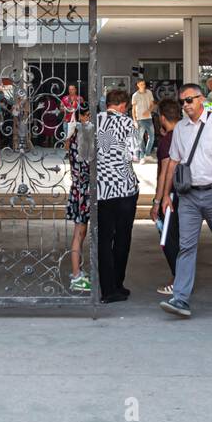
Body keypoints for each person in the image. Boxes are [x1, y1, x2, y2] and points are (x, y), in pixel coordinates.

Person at [157, 82, 212, 318]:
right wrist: (165, 195)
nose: (186, 106)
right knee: (186, 246)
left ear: (202, 99)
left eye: (189, 100)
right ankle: (181, 299)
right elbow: (173, 163)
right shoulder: (181, 129)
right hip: (189, 196)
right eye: (182, 102)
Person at [95, 89, 138, 303]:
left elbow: (85, 155)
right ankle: (118, 284)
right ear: (122, 105)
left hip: (102, 189)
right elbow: (135, 155)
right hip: (124, 188)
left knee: (104, 239)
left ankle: (107, 289)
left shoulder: (93, 123)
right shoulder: (128, 123)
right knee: (122, 238)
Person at [151, 99, 183, 295]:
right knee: (181, 237)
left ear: (162, 118)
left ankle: (178, 279)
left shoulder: (168, 140)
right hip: (190, 192)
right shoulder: (187, 133)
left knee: (168, 238)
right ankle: (181, 277)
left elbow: (164, 173)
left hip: (172, 195)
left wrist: (158, 201)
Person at [66, 104, 92, 293]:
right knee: (79, 234)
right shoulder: (85, 136)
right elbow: (89, 166)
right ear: (81, 117)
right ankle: (76, 275)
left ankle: (77, 272)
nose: (90, 119)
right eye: (88, 115)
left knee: (79, 234)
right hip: (84, 190)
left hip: (78, 189)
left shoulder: (74, 135)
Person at [131, 79, 156, 161]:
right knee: (140, 139)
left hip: (149, 118)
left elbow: (152, 105)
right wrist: (134, 121)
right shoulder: (135, 95)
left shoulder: (149, 92)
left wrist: (148, 111)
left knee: (152, 137)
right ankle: (142, 156)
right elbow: (133, 109)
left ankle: (147, 154)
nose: (143, 86)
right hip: (140, 119)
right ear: (138, 85)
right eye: (141, 84)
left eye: (144, 84)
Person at [59, 83, 83, 149]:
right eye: (69, 89)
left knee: (78, 137)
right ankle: (67, 152)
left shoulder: (79, 98)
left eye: (72, 89)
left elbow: (83, 109)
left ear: (75, 90)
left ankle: (77, 152)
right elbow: (60, 109)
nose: (70, 90)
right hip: (66, 120)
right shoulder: (64, 98)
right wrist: (64, 108)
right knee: (67, 137)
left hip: (77, 121)